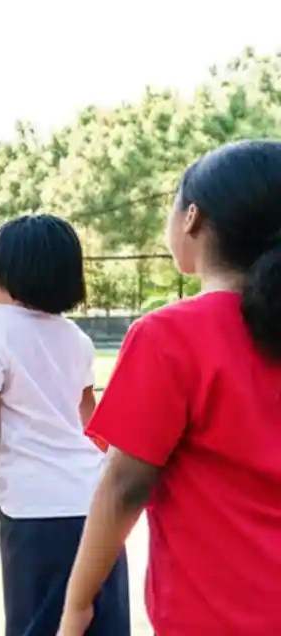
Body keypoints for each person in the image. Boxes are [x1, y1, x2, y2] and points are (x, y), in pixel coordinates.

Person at [60, 139, 281, 636]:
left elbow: (124, 486)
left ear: (192, 218)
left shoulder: (172, 336)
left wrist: (77, 604)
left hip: (214, 617)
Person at [0, 215, 129, 636]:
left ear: (8, 268)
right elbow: (94, 423)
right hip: (95, 502)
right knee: (102, 623)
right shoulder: (76, 338)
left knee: (37, 624)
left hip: (35, 511)